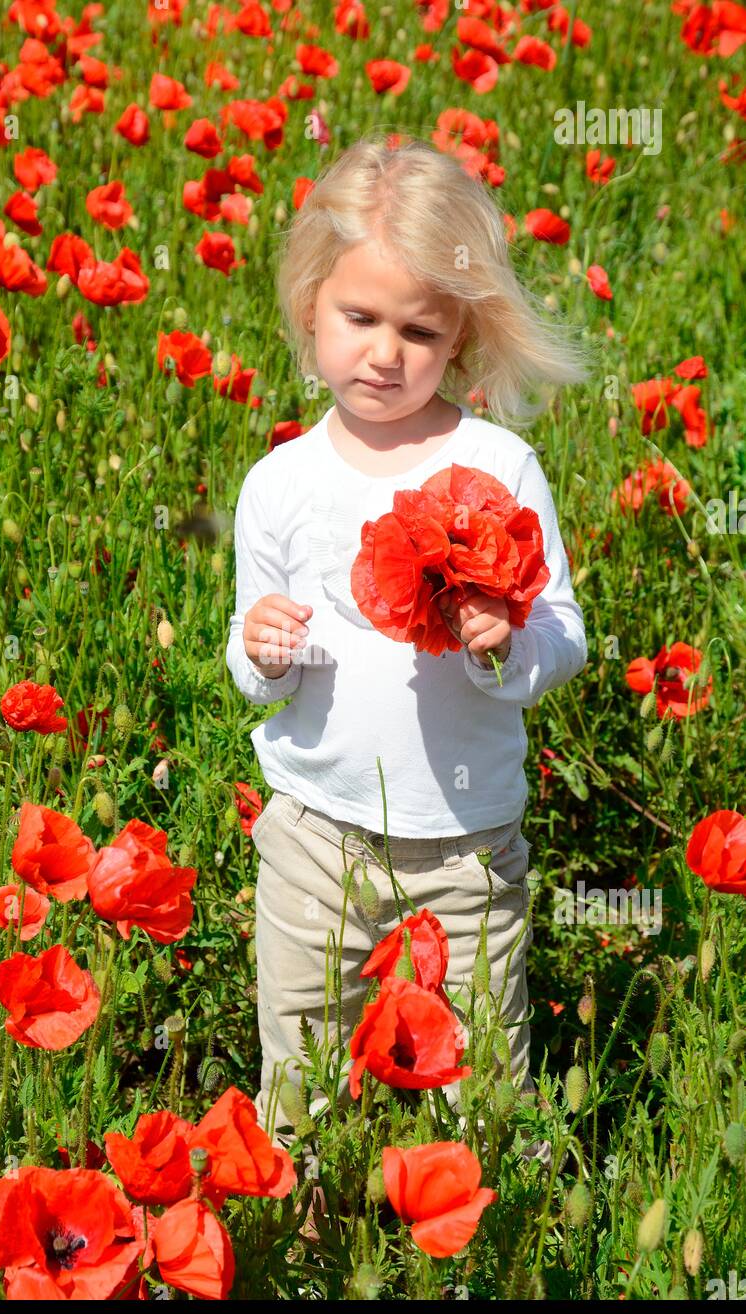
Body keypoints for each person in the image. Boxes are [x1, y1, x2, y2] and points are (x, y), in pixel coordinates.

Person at [225, 137, 592, 1170]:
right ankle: (300, 1229)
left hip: (465, 841)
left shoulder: (495, 464)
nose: (384, 352)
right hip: (313, 836)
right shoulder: (280, 485)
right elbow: (252, 658)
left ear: (461, 341)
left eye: (418, 330)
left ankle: (483, 1237)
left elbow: (563, 635)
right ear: (310, 308)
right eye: (360, 319)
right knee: (295, 1055)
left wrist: (502, 646)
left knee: (483, 1073)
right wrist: (261, 650)